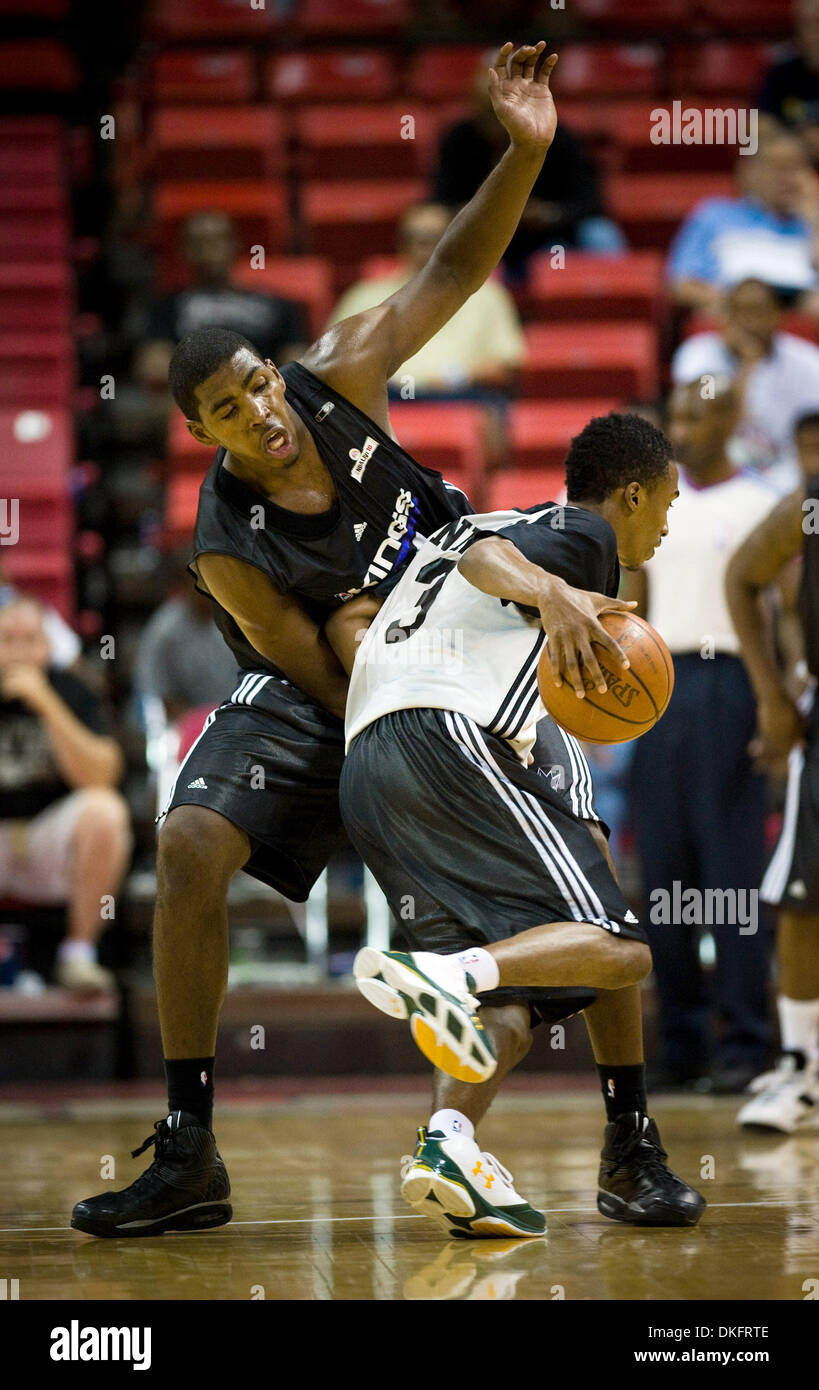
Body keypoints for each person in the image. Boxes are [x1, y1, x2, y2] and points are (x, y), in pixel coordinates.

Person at [70, 41, 639, 1239]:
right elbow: (311, 658)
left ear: (279, 374)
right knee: (185, 846)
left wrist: (522, 152)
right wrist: (400, 703)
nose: (262, 422)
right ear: (201, 435)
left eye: (261, 392)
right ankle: (190, 1144)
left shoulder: (345, 375)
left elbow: (450, 266)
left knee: (572, 863)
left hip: (448, 633)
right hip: (327, 687)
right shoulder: (226, 542)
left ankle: (614, 1135)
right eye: (229, 417)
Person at [330, 414, 705, 1232]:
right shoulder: (576, 534)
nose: (667, 525)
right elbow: (484, 560)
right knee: (620, 945)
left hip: (368, 769)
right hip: (450, 737)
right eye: (665, 505)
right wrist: (556, 592)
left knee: (516, 986)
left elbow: (469, 556)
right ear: (631, 493)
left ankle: (449, 1145)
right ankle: (459, 982)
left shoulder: (493, 530)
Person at [628, 381, 783, 1093]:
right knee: (663, 878)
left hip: (732, 686)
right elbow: (637, 606)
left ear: (729, 416)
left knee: (731, 880)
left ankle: (746, 1044)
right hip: (659, 686)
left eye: (694, 415)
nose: (682, 429)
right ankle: (681, 1045)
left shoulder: (762, 503)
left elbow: (780, 615)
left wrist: (775, 699)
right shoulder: (657, 502)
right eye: (674, 419)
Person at [726, 411, 819, 1132]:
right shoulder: (806, 506)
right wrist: (771, 695)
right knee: (798, 895)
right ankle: (801, 1068)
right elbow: (742, 576)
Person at [0, 598, 130, 992]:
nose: (21, 651)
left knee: (106, 811)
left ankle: (78, 955)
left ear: (48, 647)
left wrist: (44, 702)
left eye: (31, 640)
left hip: (50, 846)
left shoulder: (73, 689)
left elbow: (103, 775)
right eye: (8, 640)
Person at [432, 52, 624, 278]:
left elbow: (591, 202)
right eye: (488, 112)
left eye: (501, 111)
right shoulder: (459, 138)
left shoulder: (555, 136)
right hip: (482, 240)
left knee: (601, 233)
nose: (497, 121)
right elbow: (440, 202)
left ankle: (610, 298)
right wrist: (486, 212)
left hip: (550, 239)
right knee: (431, 227)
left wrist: (547, 213)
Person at [327, 202, 525, 399]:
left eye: (436, 239)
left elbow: (505, 364)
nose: (427, 249)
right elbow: (333, 358)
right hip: (384, 398)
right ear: (402, 244)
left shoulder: (488, 295)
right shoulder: (364, 295)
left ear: (455, 241)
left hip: (462, 395)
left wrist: (454, 378)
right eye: (418, 240)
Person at [133, 210, 308, 395]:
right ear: (184, 250)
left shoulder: (276, 304)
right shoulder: (166, 306)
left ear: (235, 244)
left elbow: (296, 364)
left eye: (217, 240)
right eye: (199, 243)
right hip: (197, 403)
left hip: (263, 397)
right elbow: (153, 367)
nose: (209, 250)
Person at [671, 276, 819, 486]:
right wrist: (748, 367)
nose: (749, 322)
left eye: (758, 312)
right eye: (739, 312)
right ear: (724, 317)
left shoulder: (808, 361)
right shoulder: (701, 356)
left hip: (789, 469)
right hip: (721, 467)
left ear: (777, 315)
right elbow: (705, 413)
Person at [666, 132, 819, 317]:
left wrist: (813, 220)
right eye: (777, 167)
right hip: (731, 324)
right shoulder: (715, 215)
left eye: (795, 168)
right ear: (749, 171)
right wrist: (745, 308)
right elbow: (681, 285)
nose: (786, 178)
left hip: (804, 328)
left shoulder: (812, 221)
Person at [133, 550, 238, 724]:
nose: (205, 589)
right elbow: (157, 696)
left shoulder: (238, 619)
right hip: (190, 728)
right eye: (197, 581)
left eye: (210, 580)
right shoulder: (164, 630)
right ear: (183, 584)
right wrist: (201, 723)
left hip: (244, 718)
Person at [756, 0, 819, 168]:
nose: (815, 33)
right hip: (796, 165)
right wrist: (798, 141)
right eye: (808, 24)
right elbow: (761, 126)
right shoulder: (781, 72)